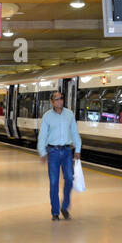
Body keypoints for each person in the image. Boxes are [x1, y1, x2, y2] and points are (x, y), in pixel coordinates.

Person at [36, 91, 81, 221]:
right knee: (54, 182)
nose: (59, 101)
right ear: (52, 102)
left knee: (69, 179)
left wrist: (77, 149)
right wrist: (43, 152)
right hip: (53, 152)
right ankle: (55, 211)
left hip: (67, 151)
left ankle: (64, 207)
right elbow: (43, 135)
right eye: (57, 99)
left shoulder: (69, 114)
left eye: (61, 98)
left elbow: (74, 132)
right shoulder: (47, 117)